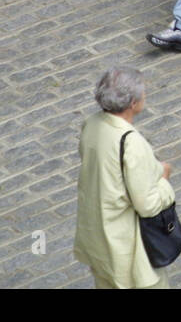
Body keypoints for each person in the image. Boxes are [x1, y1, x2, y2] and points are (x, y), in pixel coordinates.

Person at [73, 67, 175, 289]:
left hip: (98, 237)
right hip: (125, 246)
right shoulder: (131, 142)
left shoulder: (91, 124)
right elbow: (147, 205)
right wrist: (164, 180)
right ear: (132, 104)